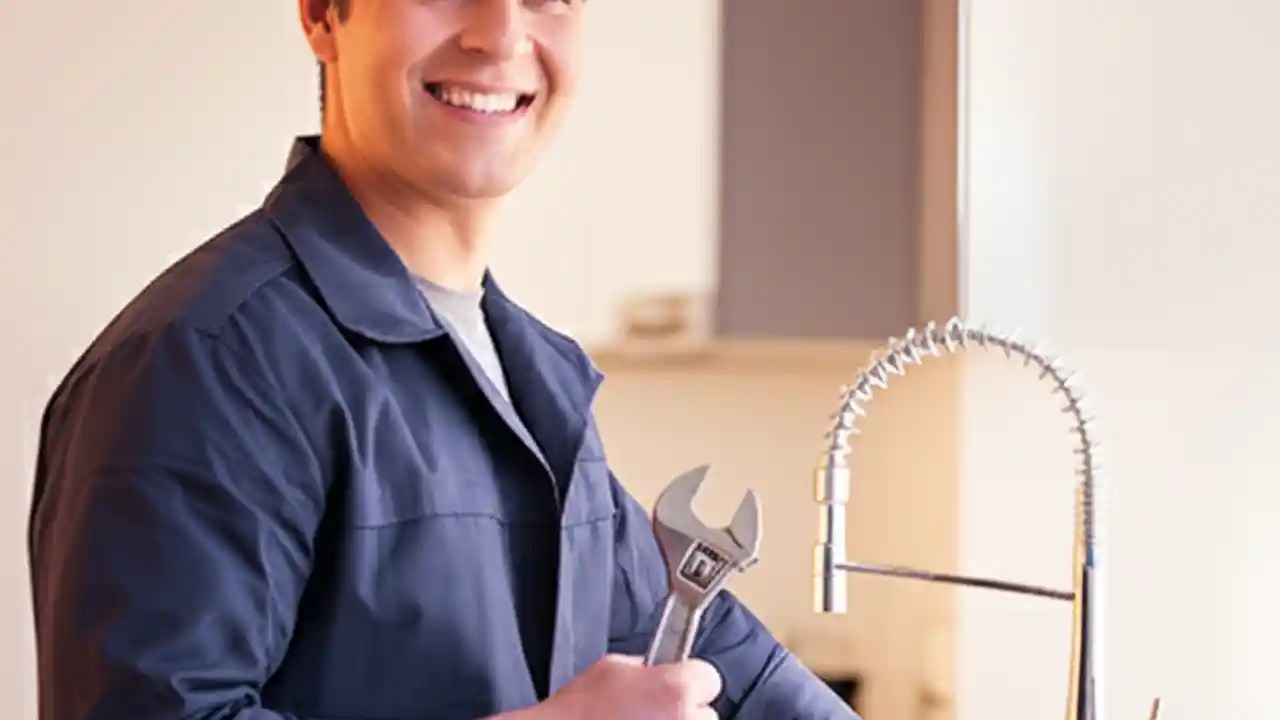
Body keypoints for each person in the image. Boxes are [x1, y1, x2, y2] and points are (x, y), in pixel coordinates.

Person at [26, 1, 860, 718]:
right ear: (323, 13)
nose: (500, 35)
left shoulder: (525, 372)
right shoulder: (207, 364)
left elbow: (712, 648)